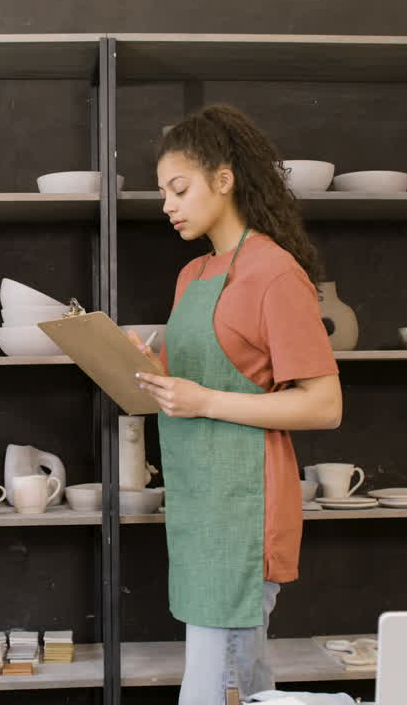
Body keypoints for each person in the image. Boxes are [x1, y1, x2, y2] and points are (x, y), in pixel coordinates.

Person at [131, 103, 343, 704]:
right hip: (199, 504)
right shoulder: (193, 274)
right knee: (243, 684)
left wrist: (203, 400)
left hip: (245, 509)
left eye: (179, 189)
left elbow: (324, 405)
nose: (167, 205)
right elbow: (192, 385)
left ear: (224, 179)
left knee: (215, 688)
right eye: (163, 193)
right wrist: (144, 368)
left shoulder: (274, 273)